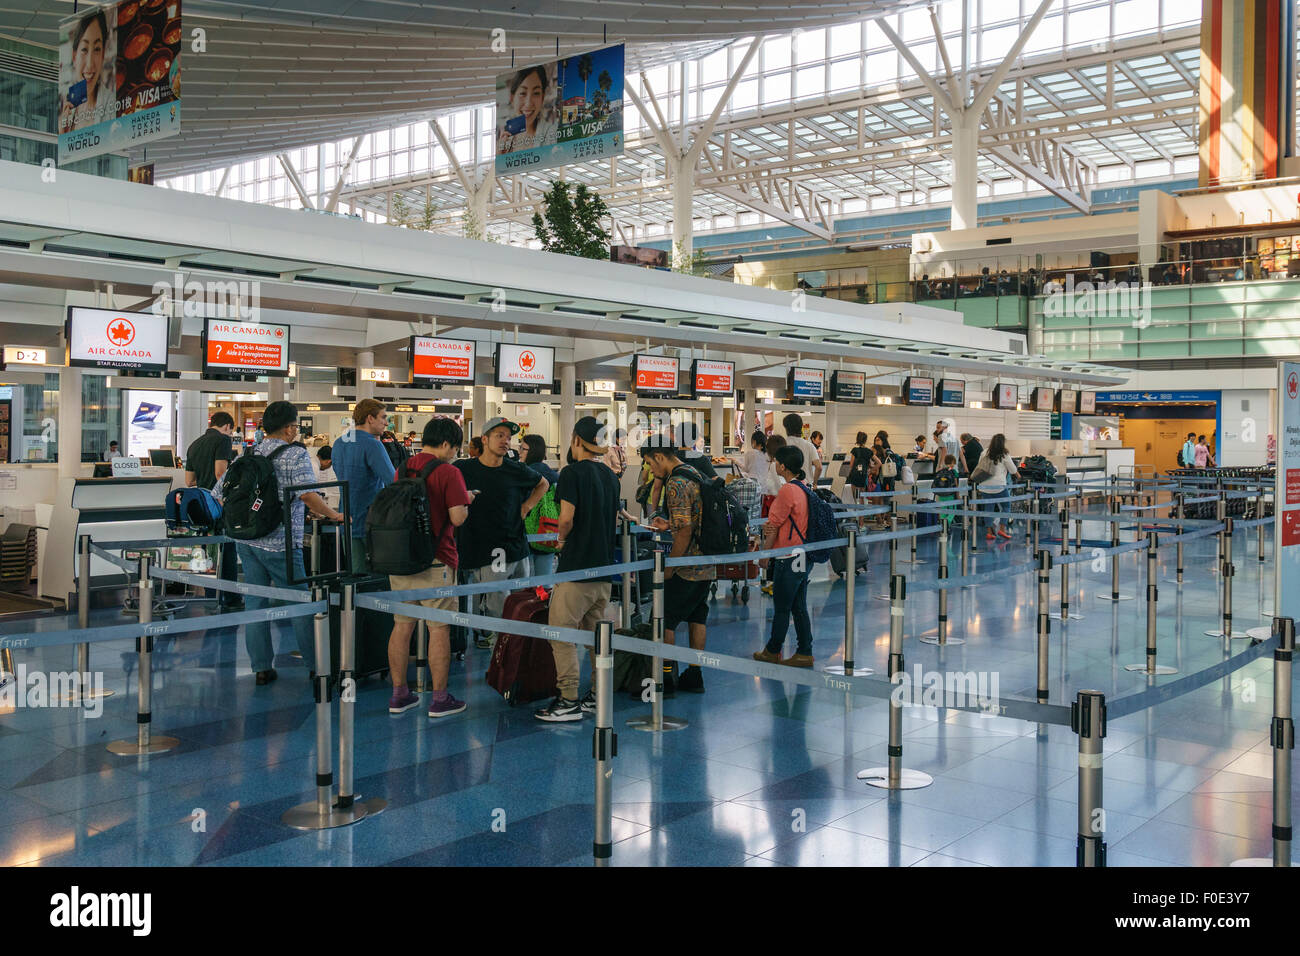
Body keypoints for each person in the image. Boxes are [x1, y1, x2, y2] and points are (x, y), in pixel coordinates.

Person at [213, 401, 343, 685]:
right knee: (300, 603)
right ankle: (316, 666)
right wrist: (334, 514)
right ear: (289, 428)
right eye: (295, 426)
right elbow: (308, 495)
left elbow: (219, 492)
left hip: (248, 541)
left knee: (255, 603)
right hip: (281, 543)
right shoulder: (296, 454)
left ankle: (261, 668)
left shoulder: (249, 452)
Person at [384, 418, 473, 719]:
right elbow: (457, 518)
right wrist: (467, 500)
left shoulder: (402, 468)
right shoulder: (449, 472)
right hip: (437, 559)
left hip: (402, 559)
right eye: (455, 448)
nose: (455, 454)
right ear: (446, 444)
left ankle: (399, 695)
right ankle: (440, 698)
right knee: (438, 628)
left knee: (402, 626)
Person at [536, 417, 622, 722]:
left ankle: (568, 699)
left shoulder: (571, 474)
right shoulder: (611, 476)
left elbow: (566, 519)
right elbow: (614, 521)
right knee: (596, 638)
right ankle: (598, 695)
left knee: (561, 634)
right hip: (603, 571)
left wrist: (561, 541)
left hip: (576, 569)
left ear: (576, 440)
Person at [454, 417, 549, 649]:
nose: (506, 441)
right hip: (485, 550)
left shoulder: (516, 469)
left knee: (522, 603)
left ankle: (517, 651)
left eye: (508, 437)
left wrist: (527, 507)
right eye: (499, 435)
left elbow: (543, 484)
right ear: (485, 439)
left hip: (517, 547)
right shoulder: (464, 469)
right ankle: (500, 650)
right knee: (497, 607)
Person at [640, 436, 715, 694]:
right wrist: (669, 524)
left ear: (659, 456)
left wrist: (670, 567)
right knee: (697, 616)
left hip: (686, 566)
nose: (651, 470)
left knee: (664, 618)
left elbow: (684, 532)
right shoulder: (693, 472)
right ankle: (695, 675)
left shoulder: (676, 482)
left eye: (651, 463)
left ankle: (666, 678)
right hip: (706, 561)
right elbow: (692, 519)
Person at [753, 445, 814, 668]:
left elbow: (773, 526)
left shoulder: (787, 490)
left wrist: (765, 556)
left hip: (787, 555)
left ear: (783, 466)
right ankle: (804, 650)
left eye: (776, 462)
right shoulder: (804, 486)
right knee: (798, 605)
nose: (774, 465)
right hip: (802, 553)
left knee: (781, 606)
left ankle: (773, 650)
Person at [185, 411, 241, 611]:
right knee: (228, 551)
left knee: (209, 551)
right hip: (219, 504)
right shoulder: (223, 440)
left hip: (202, 506)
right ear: (227, 426)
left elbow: (189, 481)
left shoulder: (194, 444)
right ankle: (231, 598)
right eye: (231, 431)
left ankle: (211, 596)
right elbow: (220, 473)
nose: (230, 434)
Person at [330, 399, 394, 573]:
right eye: (383, 417)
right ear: (370, 418)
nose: (386, 423)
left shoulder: (339, 443)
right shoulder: (373, 444)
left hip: (347, 518)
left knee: (356, 575)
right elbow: (393, 481)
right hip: (371, 521)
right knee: (378, 576)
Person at [58, 10, 112, 134]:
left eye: (97, 49)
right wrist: (63, 134)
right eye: (84, 49)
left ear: (103, 55)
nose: (89, 64)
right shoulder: (68, 107)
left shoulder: (111, 103)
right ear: (74, 56)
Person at [521, 433, 561, 576]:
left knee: (527, 582)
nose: (520, 452)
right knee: (544, 580)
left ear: (532, 451)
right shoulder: (555, 475)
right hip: (548, 530)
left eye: (523, 449)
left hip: (528, 534)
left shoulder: (526, 474)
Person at [497, 65, 556, 154]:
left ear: (542, 97)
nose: (528, 103)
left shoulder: (552, 134)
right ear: (512, 98)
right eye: (523, 93)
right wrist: (500, 156)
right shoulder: (504, 137)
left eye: (536, 93)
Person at [972, 433, 1019, 541]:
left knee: (989, 508)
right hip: (999, 486)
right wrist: (1018, 475)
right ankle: (1002, 529)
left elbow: (980, 467)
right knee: (1006, 506)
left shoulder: (984, 452)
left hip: (984, 485)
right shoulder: (1004, 454)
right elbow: (1013, 470)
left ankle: (989, 533)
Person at [782, 412, 822, 483]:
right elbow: (819, 467)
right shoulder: (809, 445)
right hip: (806, 485)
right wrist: (815, 483)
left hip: (788, 485)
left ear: (786, 428)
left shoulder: (783, 445)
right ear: (801, 426)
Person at [847, 431, 873, 503]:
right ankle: (862, 509)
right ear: (865, 440)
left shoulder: (855, 450)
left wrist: (848, 475)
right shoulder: (868, 451)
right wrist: (870, 470)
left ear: (857, 439)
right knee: (862, 496)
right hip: (863, 475)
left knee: (854, 496)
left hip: (855, 475)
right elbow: (875, 463)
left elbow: (851, 465)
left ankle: (856, 507)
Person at [312, 445, 339, 511]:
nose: (329, 467)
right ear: (328, 461)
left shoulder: (312, 462)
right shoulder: (315, 468)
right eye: (330, 464)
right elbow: (309, 494)